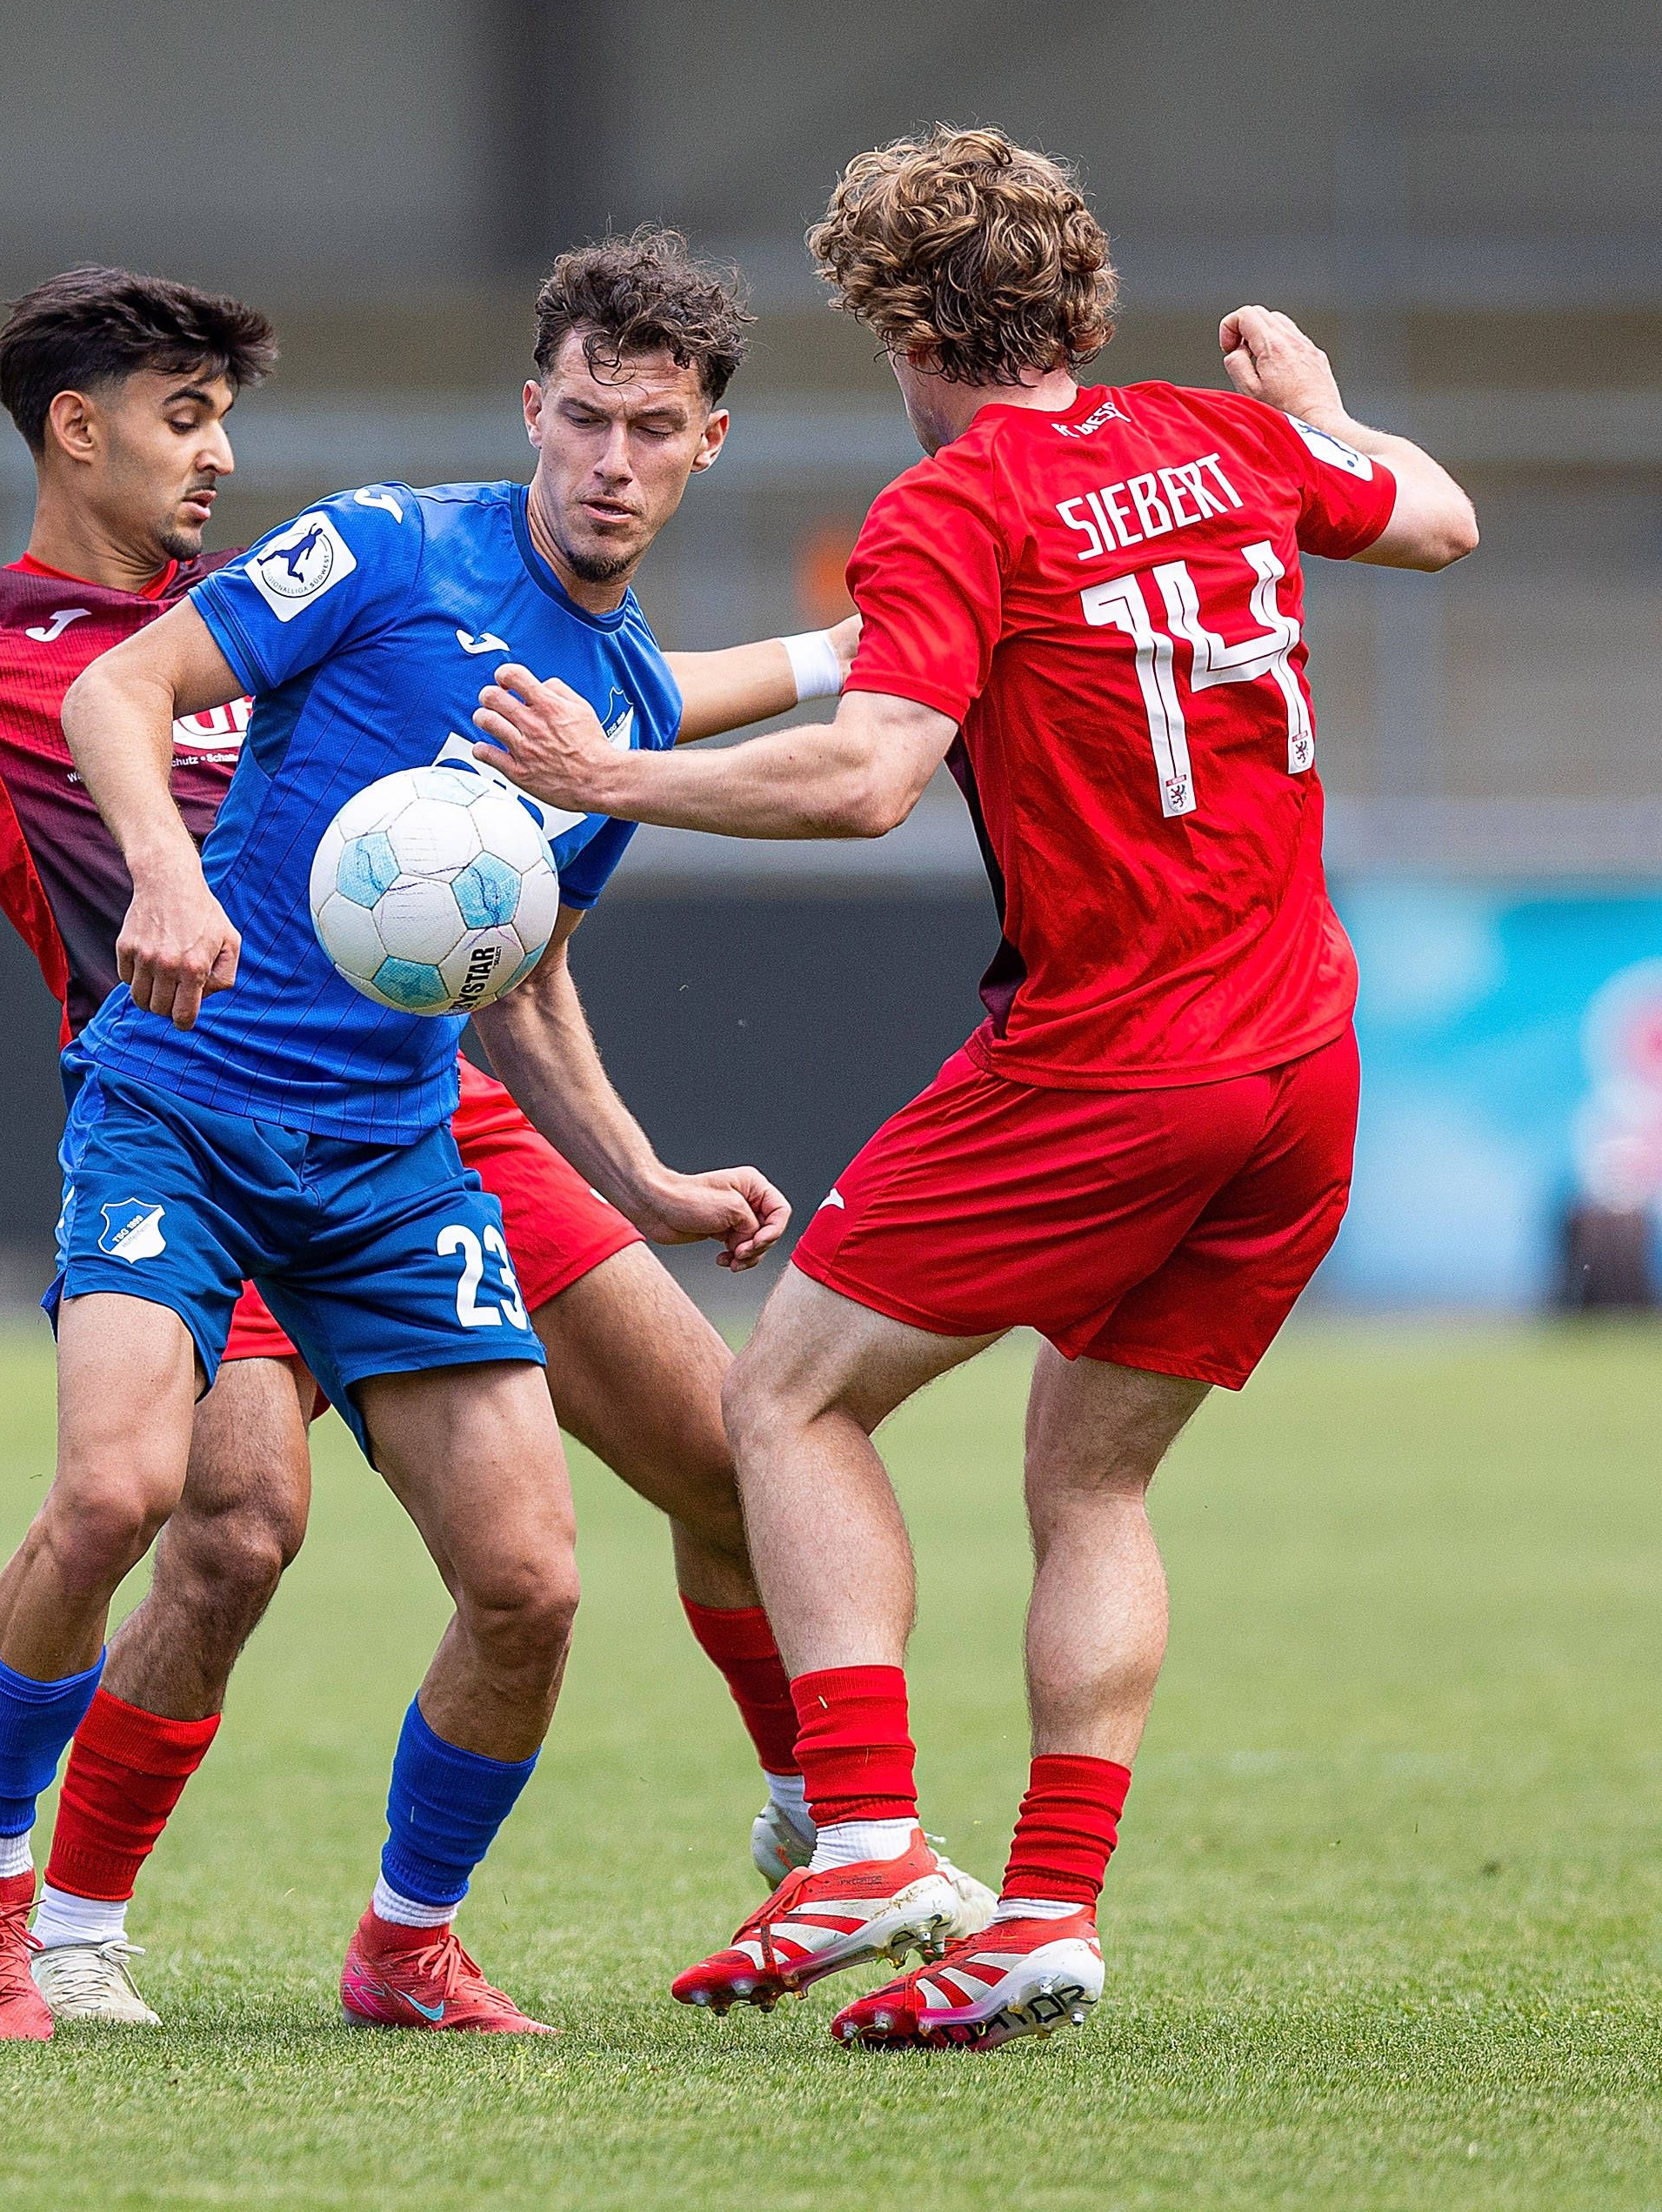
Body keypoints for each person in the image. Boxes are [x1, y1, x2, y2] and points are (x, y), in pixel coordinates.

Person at [0, 250, 893, 2030]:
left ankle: (813, 1823)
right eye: (183, 419)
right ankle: (46, 1909)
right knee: (214, 1524)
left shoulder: (309, 598)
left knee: (695, 1469)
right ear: (77, 431)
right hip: (188, 1098)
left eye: (223, 423)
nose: (215, 458)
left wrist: (639, 1152)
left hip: (420, 1118)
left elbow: (591, 727)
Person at [475, 126, 1478, 2049]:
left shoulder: (950, 504)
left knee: (782, 1393)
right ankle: (1039, 1911)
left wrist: (602, 781)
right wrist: (1328, 409)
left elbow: (860, 778)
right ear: (1071, 296)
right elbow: (1429, 518)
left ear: (897, 318)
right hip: (1298, 1060)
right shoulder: (1225, 437)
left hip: (1114, 1055)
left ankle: (857, 1830)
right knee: (1086, 1473)